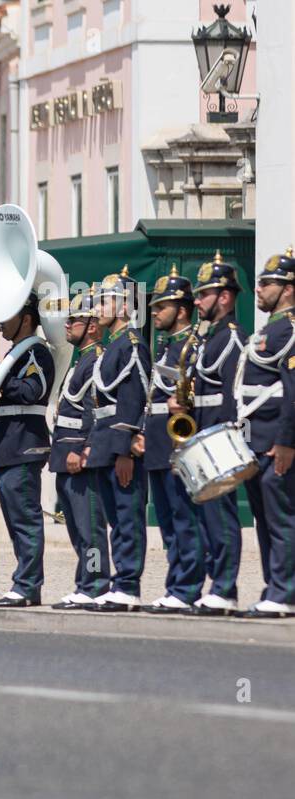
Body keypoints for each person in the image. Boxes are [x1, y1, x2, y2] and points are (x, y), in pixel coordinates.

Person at [176, 252, 245, 615]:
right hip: (202, 438)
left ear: (224, 297)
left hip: (220, 438)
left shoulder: (231, 338)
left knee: (222, 518)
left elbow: (234, 393)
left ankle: (226, 588)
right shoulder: (207, 339)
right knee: (207, 519)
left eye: (204, 294)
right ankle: (214, 585)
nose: (197, 301)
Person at [0, 292, 54, 607]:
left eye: (7, 317)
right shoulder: (16, 354)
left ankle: (27, 586)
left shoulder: (36, 352)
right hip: (9, 445)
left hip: (24, 444)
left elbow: (31, 392)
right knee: (16, 520)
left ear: (26, 318)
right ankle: (23, 583)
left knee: (25, 520)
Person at [140, 266, 206, 614]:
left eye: (161, 306)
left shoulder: (194, 346)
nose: (154, 311)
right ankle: (175, 584)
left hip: (180, 444)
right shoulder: (166, 348)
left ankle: (188, 588)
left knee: (184, 520)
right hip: (158, 443)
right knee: (167, 523)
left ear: (181, 310)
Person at [85, 267, 151, 612]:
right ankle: (119, 583)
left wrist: (126, 448)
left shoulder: (132, 345)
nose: (98, 307)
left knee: (128, 518)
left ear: (124, 306)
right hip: (105, 443)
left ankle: (128, 584)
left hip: (120, 446)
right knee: (115, 520)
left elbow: (134, 398)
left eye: (105, 300)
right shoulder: (112, 347)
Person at [236, 247, 295, 618]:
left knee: (282, 520)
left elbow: (293, 391)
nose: (259, 289)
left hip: (276, 443)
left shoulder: (289, 331)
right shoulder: (270, 329)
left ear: (289, 289)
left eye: (268, 283)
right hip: (256, 442)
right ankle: (276, 587)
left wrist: (287, 442)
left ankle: (286, 591)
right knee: (266, 521)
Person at [48, 289, 110, 609]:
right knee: (77, 530)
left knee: (90, 530)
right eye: (68, 320)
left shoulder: (97, 359)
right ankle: (86, 581)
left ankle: (97, 583)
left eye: (75, 320)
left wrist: (84, 448)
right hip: (64, 455)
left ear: (93, 326)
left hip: (78, 457)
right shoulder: (81, 360)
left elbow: (95, 410)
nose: (68, 325)